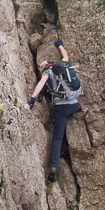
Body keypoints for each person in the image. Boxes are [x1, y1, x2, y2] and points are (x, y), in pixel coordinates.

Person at [27, 38, 81, 182]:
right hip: (74, 105)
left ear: (44, 67)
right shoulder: (63, 65)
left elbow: (41, 84)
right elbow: (66, 56)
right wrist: (60, 45)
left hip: (61, 109)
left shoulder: (47, 74)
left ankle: (53, 168)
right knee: (72, 109)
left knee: (57, 137)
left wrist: (32, 98)